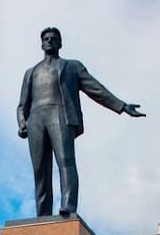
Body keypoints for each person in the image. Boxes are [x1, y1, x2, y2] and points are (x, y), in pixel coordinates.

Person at [17, 27, 145, 217]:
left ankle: (68, 205)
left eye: (54, 38)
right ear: (41, 44)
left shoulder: (72, 66)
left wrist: (122, 106)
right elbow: (21, 105)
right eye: (46, 39)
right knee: (40, 171)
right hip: (36, 118)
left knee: (65, 161)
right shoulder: (30, 72)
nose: (50, 41)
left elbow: (96, 89)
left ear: (60, 44)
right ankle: (42, 215)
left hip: (60, 114)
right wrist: (21, 122)